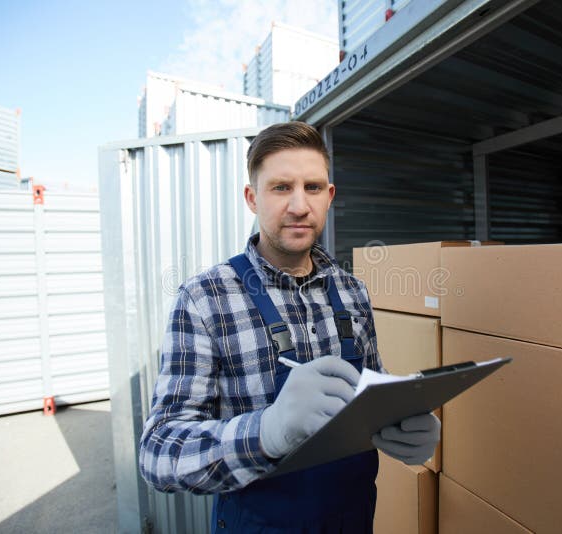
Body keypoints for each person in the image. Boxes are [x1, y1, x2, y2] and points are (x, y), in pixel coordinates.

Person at [139, 121, 440, 532]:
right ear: (252, 197)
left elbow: (371, 386)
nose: (300, 205)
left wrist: (403, 419)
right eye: (281, 187)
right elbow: (159, 452)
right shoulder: (205, 299)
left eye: (313, 187)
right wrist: (267, 431)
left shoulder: (353, 291)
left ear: (329, 196)